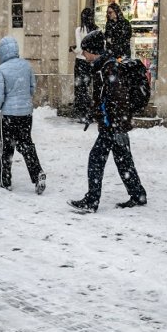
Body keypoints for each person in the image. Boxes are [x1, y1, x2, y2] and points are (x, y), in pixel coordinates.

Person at [68, 29, 147, 213]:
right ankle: (138, 194)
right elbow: (105, 98)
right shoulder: (105, 66)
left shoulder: (108, 68)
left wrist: (112, 123)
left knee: (96, 159)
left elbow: (116, 99)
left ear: (93, 51)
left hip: (112, 125)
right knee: (123, 160)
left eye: (85, 51)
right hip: (115, 124)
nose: (84, 56)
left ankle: (91, 201)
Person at [0, 36, 46, 194]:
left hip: (9, 114)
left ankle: (5, 181)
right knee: (26, 143)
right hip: (26, 113)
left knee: (7, 148)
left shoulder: (1, 69)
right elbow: (32, 88)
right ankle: (37, 173)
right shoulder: (26, 65)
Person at [70, 7, 98, 123]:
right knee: (88, 87)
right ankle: (90, 113)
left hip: (81, 61)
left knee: (80, 88)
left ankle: (82, 113)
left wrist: (72, 49)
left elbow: (79, 48)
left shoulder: (79, 30)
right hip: (91, 61)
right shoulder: (97, 30)